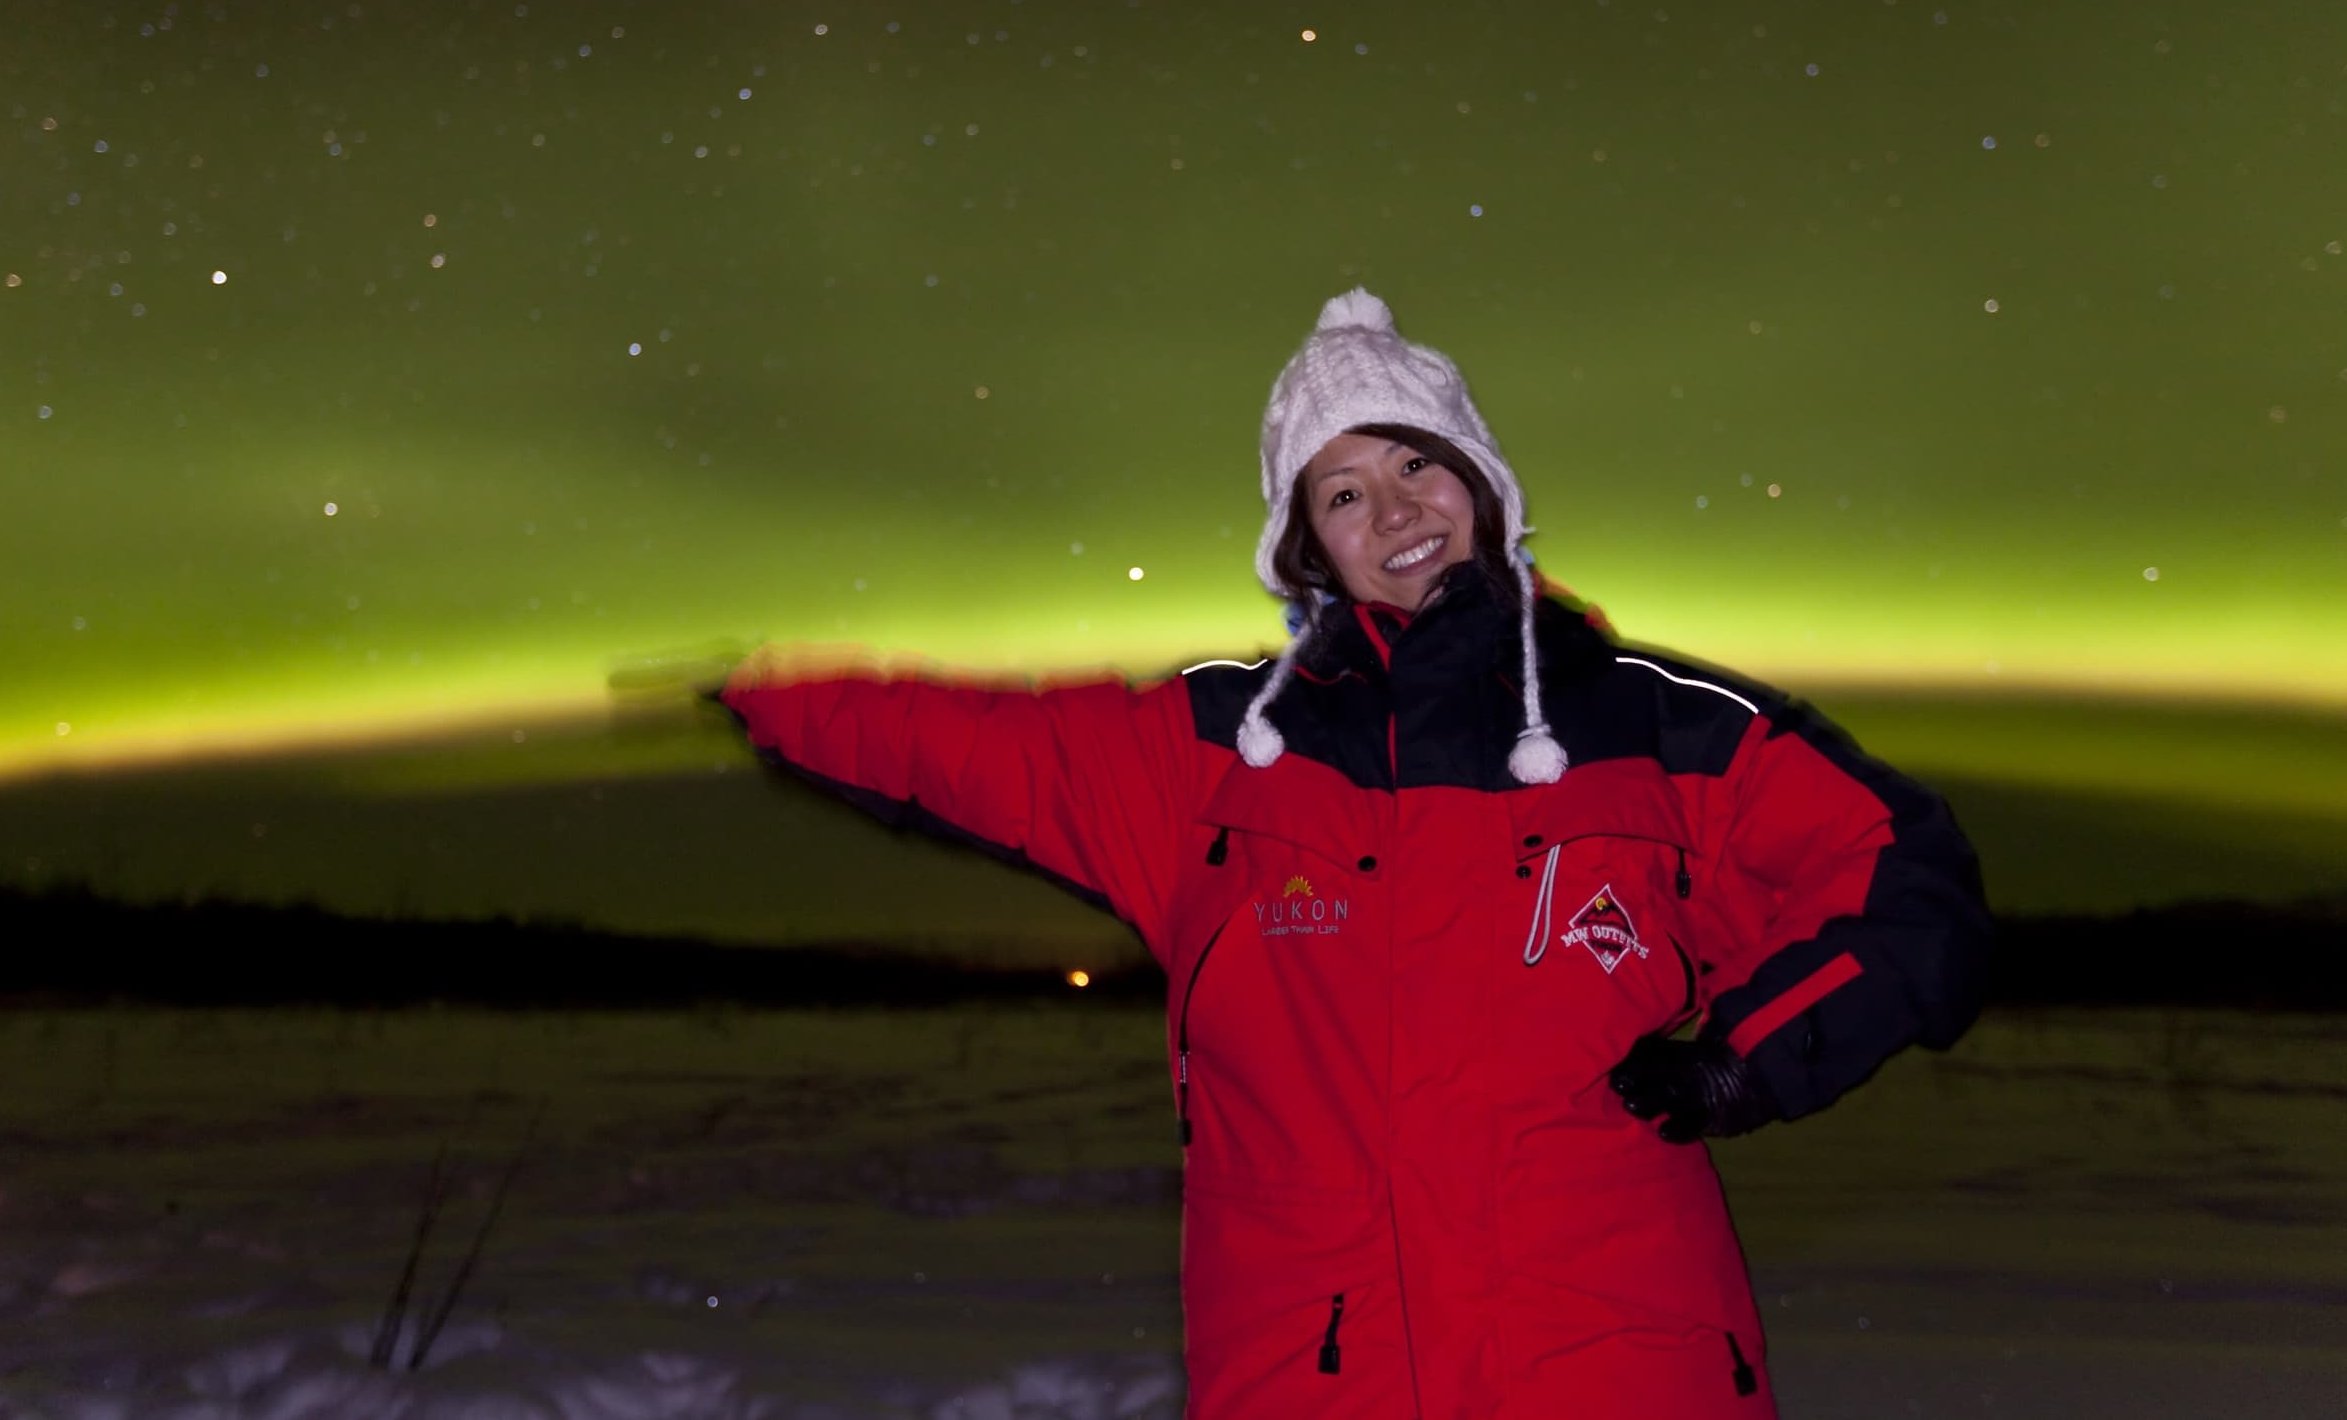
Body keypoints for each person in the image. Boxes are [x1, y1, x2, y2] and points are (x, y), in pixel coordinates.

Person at [710, 287, 1992, 1417]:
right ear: (1304, 543)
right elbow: (972, 742)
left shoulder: (1658, 723)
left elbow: (1904, 879)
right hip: (1313, 1365)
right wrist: (762, 690)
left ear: (1480, 481)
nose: (1393, 511)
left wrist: (1740, 1060)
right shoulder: (1212, 750)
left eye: (1415, 466)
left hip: (1613, 1351)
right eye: (1342, 491)